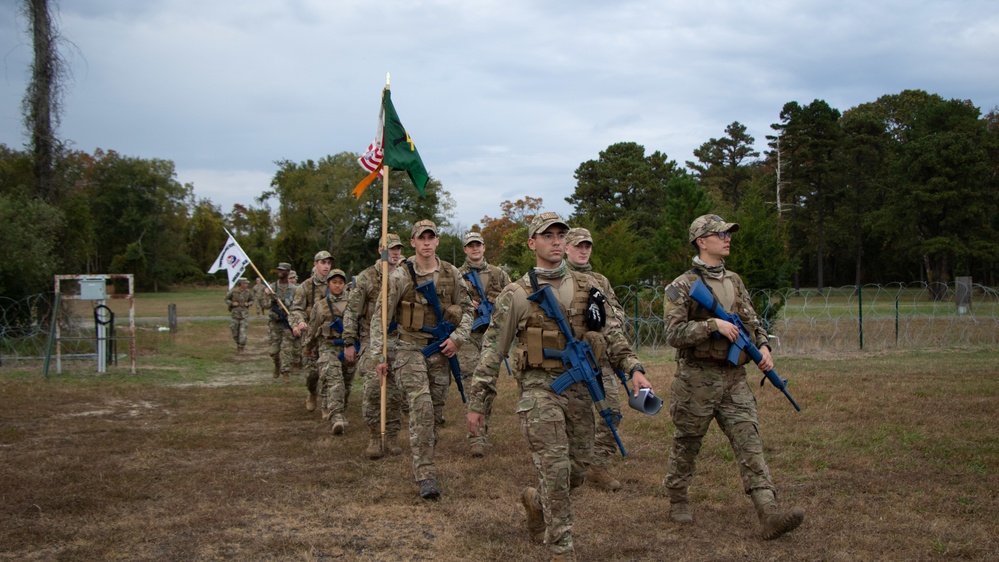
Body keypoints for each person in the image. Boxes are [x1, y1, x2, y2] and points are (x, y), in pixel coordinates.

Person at [465, 211, 652, 562]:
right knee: (555, 468)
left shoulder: (590, 287)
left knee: (577, 471)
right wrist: (478, 403)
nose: (555, 240)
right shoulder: (517, 294)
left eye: (559, 235)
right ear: (532, 243)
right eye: (547, 235)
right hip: (539, 390)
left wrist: (633, 369)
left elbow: (612, 333)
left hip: (580, 387)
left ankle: (535, 503)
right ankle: (562, 550)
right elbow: (493, 350)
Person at [661, 214, 804, 539]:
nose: (727, 238)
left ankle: (768, 512)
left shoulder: (734, 281)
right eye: (719, 234)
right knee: (687, 442)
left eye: (728, 233)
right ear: (701, 241)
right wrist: (712, 326)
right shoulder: (682, 285)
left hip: (734, 378)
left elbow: (751, 321)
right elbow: (672, 334)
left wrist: (763, 347)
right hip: (696, 379)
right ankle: (678, 497)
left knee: (749, 441)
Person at [372, 220, 474, 500]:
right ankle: (426, 474)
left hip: (441, 351)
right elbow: (380, 318)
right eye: (421, 238)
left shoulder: (452, 274)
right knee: (422, 406)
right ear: (413, 242)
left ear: (437, 241)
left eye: (431, 237)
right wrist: (379, 355)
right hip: (408, 349)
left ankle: (425, 453)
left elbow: (468, 312)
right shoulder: (399, 277)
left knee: (436, 412)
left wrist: (458, 338)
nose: (427, 243)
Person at [563, 227, 627, 492]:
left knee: (612, 411)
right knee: (573, 417)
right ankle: (567, 465)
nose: (583, 250)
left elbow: (617, 313)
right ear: (566, 248)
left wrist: (603, 324)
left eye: (587, 246)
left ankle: (597, 466)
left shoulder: (600, 280)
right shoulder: (559, 278)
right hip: (571, 359)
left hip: (600, 359)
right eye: (578, 246)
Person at [342, 233, 407, 460]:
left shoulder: (407, 274)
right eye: (391, 248)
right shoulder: (366, 278)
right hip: (373, 338)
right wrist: (349, 342)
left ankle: (391, 437)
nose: (396, 252)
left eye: (398, 248)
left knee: (396, 391)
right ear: (380, 250)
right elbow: (351, 312)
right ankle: (373, 436)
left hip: (399, 338)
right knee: (373, 386)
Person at [457, 230, 511, 458]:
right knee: (472, 382)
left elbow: (514, 299)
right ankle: (476, 438)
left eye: (478, 244)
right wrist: (468, 304)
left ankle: (482, 428)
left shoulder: (499, 275)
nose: (475, 249)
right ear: (465, 249)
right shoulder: (457, 275)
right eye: (470, 245)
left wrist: (494, 303)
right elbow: (448, 304)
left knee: (487, 384)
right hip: (469, 334)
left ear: (484, 247)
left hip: (493, 336)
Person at [306, 269, 355, 435]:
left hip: (348, 348)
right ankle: (337, 417)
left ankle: (337, 408)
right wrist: (308, 347)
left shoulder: (353, 304)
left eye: (341, 282)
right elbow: (312, 329)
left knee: (347, 383)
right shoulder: (320, 306)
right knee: (335, 381)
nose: (337, 285)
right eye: (334, 282)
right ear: (328, 284)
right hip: (328, 347)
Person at [290, 251, 333, 413]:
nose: (326, 266)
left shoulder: (335, 283)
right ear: (316, 264)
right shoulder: (305, 287)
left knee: (328, 372)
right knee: (311, 374)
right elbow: (296, 309)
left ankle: (327, 405)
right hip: (310, 337)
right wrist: (300, 321)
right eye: (323, 263)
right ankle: (312, 392)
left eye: (329, 263)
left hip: (329, 337)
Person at [267, 263, 297, 381]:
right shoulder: (271, 288)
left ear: (288, 272)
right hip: (275, 324)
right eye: (279, 269)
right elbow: (264, 305)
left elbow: (299, 305)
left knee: (287, 349)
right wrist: (271, 300)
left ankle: (285, 372)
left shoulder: (294, 289)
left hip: (288, 323)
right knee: (273, 351)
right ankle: (277, 364)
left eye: (283, 270)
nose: (280, 272)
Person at [224, 277, 253, 353]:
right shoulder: (233, 291)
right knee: (234, 331)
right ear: (241, 284)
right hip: (235, 315)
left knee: (242, 332)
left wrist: (248, 303)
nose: (247, 284)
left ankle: (241, 347)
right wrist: (232, 303)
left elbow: (252, 300)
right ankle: (238, 343)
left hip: (244, 315)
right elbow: (226, 299)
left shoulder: (248, 292)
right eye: (245, 283)